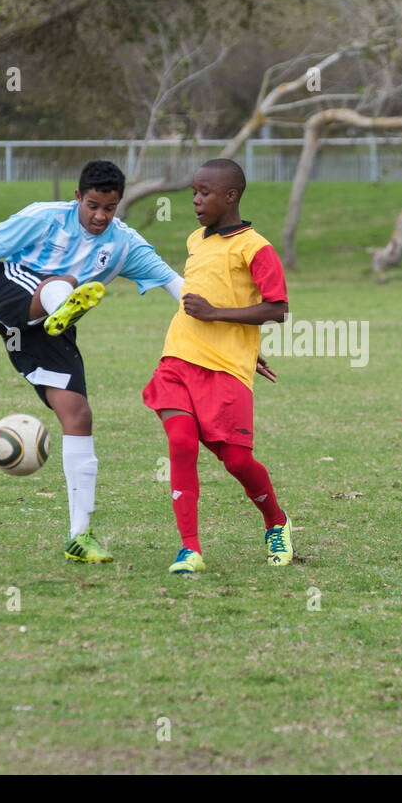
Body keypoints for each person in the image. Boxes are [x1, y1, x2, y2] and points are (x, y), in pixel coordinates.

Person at [0, 161, 184, 564]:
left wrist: (227, 336)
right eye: (92, 205)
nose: (99, 216)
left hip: (48, 330)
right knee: (67, 283)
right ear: (77, 197)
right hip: (12, 295)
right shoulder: (44, 218)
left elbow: (176, 285)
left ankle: (80, 536)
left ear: (118, 204)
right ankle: (63, 302)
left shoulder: (125, 244)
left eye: (109, 208)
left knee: (78, 415)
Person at [142, 158, 292, 574]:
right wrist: (211, 319)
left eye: (204, 193)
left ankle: (276, 521)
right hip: (177, 359)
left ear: (230, 196)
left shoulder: (255, 247)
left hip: (226, 372)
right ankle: (189, 549)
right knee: (182, 444)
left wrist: (220, 320)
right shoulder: (196, 240)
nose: (195, 200)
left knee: (238, 462)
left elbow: (278, 310)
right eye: (193, 192)